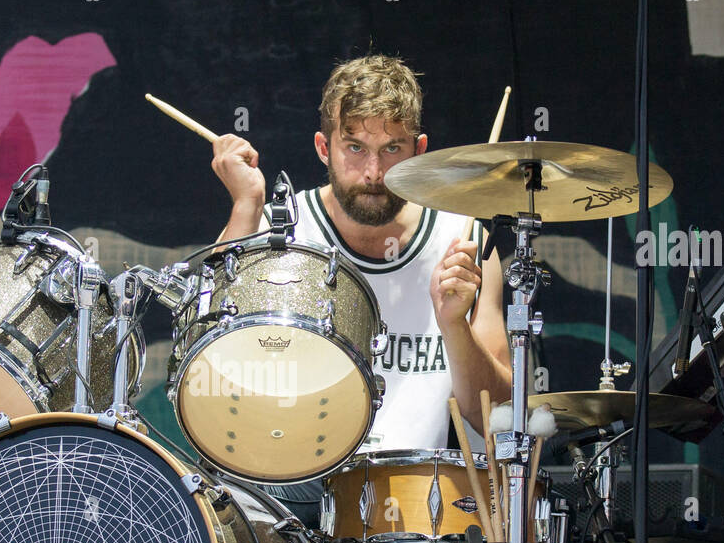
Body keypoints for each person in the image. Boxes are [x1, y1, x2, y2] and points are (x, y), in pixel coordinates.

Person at [210, 54, 512, 457]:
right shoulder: (275, 228)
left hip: (416, 502)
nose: (373, 172)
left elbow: (499, 418)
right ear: (323, 147)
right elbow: (207, 361)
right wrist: (247, 205)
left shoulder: (463, 242)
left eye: (391, 148)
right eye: (355, 147)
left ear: (418, 150)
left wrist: (454, 324)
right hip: (284, 494)